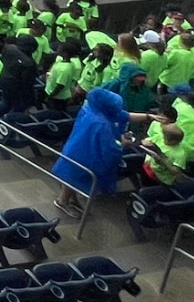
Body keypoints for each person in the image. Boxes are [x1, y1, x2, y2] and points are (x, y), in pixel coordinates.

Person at [53, 86, 136, 217]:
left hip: (74, 149)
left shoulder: (89, 109)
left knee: (71, 176)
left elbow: (121, 115)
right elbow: (109, 148)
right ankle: (62, 201)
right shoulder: (102, 124)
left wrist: (149, 117)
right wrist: (123, 145)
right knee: (73, 179)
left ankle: (71, 199)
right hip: (87, 156)